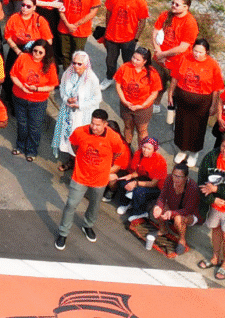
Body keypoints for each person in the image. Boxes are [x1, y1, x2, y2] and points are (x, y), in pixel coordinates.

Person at [54, 108, 128, 250]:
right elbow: (74, 144)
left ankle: (87, 226)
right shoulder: (80, 131)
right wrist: (80, 158)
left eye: (98, 125)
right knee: (71, 204)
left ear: (105, 124)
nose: (94, 127)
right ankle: (63, 233)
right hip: (80, 176)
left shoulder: (113, 138)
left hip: (99, 180)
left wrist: (105, 167)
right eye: (92, 123)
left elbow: (118, 153)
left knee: (94, 205)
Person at [189, 132, 225, 279]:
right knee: (215, 231)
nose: (224, 150)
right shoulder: (211, 157)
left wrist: (216, 189)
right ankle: (215, 258)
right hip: (215, 206)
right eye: (223, 146)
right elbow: (202, 182)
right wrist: (212, 200)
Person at [166, 36, 221, 163]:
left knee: (198, 127)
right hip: (183, 99)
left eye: (200, 52)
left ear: (207, 52)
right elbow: (175, 76)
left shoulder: (213, 65)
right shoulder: (184, 58)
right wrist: (170, 93)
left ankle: (194, 153)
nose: (197, 54)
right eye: (195, 51)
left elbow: (216, 87)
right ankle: (182, 150)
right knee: (181, 125)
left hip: (202, 102)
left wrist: (214, 104)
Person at [52, 50, 103, 166]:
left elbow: (97, 98)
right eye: (74, 63)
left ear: (85, 64)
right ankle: (71, 160)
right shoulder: (68, 73)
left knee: (80, 139)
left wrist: (80, 105)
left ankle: (79, 163)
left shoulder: (92, 79)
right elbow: (62, 88)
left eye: (79, 64)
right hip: (68, 112)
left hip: (82, 115)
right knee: (69, 136)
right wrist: (66, 99)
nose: (76, 66)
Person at [140, 164, 202, 257]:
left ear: (186, 178)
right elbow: (162, 196)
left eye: (179, 177)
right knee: (158, 210)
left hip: (191, 213)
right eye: (174, 175)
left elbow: (188, 210)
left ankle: (182, 240)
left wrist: (172, 213)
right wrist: (158, 206)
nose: (175, 178)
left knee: (178, 218)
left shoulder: (192, 188)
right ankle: (162, 230)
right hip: (174, 206)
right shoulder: (169, 179)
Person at [9, 38, 55, 160]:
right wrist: (22, 87)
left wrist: (37, 89)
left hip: (38, 102)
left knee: (34, 127)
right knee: (22, 124)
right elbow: (13, 75)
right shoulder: (23, 57)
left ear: (46, 54)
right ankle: (20, 146)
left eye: (40, 52)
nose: (37, 54)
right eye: (35, 51)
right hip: (20, 97)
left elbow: (51, 85)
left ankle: (31, 150)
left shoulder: (49, 65)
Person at [112, 45, 161, 147]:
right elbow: (118, 85)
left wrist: (142, 105)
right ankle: (127, 149)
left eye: (138, 60)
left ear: (145, 61)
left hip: (143, 108)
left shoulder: (152, 73)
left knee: (142, 131)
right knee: (128, 127)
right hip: (126, 105)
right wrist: (124, 101)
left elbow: (154, 93)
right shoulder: (125, 67)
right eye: (133, 57)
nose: (134, 61)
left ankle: (141, 151)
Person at [111, 134, 168, 218]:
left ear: (154, 150)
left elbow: (153, 184)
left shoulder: (160, 161)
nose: (145, 150)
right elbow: (140, 172)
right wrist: (130, 176)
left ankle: (140, 212)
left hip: (157, 187)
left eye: (149, 149)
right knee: (123, 182)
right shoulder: (138, 154)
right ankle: (126, 203)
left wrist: (135, 183)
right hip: (144, 178)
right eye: (144, 147)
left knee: (139, 192)